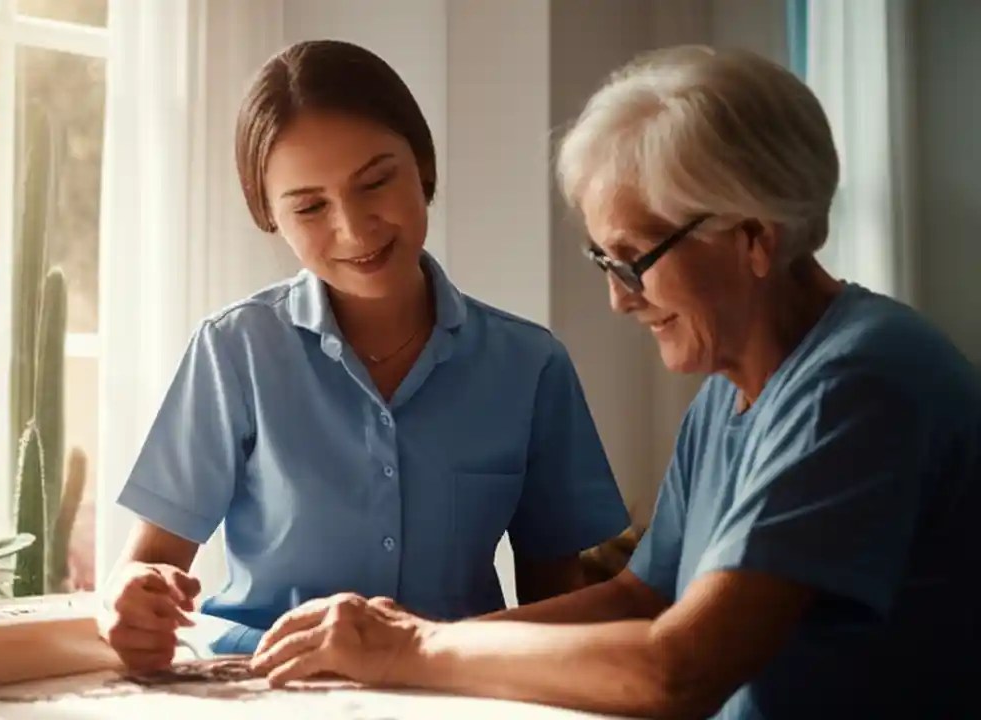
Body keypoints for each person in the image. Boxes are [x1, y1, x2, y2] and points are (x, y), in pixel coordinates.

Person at [249, 45, 981, 719]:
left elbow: (680, 670)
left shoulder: (857, 385)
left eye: (633, 259)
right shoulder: (733, 390)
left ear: (753, 237)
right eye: (604, 262)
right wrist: (417, 636)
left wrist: (411, 652)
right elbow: (642, 595)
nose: (619, 298)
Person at [97, 39, 628, 672]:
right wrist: (126, 606)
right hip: (259, 688)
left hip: (448, 691)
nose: (354, 228)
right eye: (310, 206)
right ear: (270, 215)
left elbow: (558, 600)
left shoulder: (530, 366)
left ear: (423, 166)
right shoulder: (234, 350)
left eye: (377, 181)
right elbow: (148, 564)